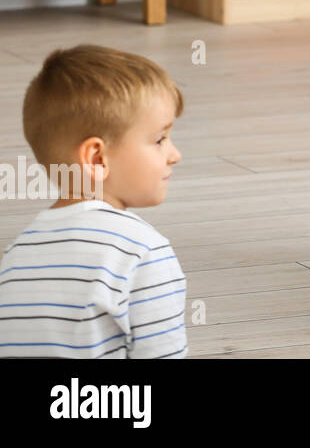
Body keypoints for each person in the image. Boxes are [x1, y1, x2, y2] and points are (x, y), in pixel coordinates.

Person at [0, 45, 187, 358]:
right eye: (159, 139)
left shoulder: (16, 255)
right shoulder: (143, 252)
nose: (174, 155)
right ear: (97, 158)